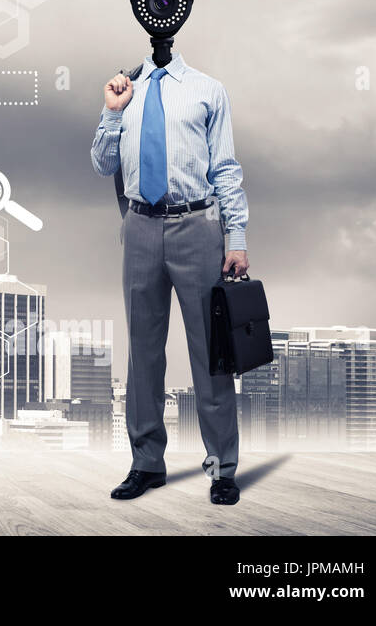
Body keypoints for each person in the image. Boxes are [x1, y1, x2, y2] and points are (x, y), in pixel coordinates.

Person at [92, 52, 249, 506]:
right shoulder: (125, 90)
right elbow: (103, 165)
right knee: (142, 351)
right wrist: (110, 111)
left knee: (211, 351)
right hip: (140, 225)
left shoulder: (207, 89)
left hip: (198, 226)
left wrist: (235, 238)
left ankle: (222, 468)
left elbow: (225, 168)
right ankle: (146, 463)